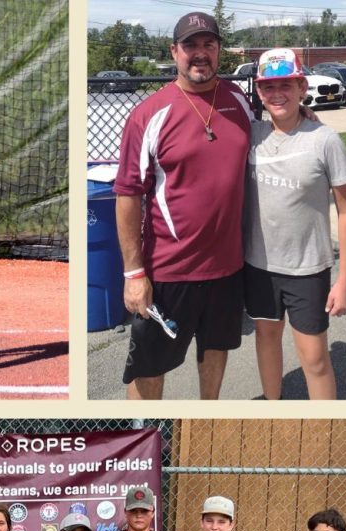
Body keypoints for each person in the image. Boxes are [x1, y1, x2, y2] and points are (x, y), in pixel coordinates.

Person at [113, 12, 253, 400]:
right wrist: (134, 274)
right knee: (148, 369)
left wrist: (302, 117)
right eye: (190, 45)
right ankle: (139, 446)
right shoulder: (149, 114)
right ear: (174, 51)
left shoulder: (238, 101)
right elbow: (127, 195)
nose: (200, 54)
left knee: (215, 350)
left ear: (219, 50)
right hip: (169, 271)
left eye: (208, 44)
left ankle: (206, 423)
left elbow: (272, 134)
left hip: (227, 268)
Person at [243, 48, 346, 400]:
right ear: (259, 92)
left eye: (286, 85)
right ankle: (273, 407)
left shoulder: (325, 140)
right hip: (259, 266)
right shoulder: (250, 134)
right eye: (268, 86)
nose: (277, 93)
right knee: (266, 340)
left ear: (301, 86)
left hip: (308, 269)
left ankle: (325, 427)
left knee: (315, 358)